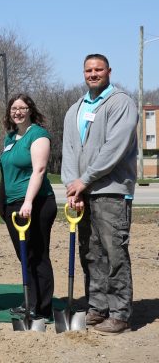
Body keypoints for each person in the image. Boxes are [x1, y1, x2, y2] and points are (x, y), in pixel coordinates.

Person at [62, 54, 137, 335]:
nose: (93, 74)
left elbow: (114, 148)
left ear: (109, 71)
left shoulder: (121, 103)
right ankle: (97, 307)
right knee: (91, 253)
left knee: (114, 252)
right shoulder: (75, 109)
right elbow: (69, 150)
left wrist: (86, 179)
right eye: (88, 70)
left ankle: (120, 313)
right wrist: (72, 186)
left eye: (98, 69)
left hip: (111, 191)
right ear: (83, 73)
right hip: (83, 192)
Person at [0, 93, 56, 319]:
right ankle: (30, 300)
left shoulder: (38, 135)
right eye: (14, 108)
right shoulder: (10, 138)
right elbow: (6, 172)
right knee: (25, 255)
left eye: (22, 108)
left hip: (37, 203)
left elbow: (39, 170)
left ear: (30, 110)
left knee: (38, 254)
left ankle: (42, 306)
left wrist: (29, 201)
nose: (18, 112)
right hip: (14, 205)